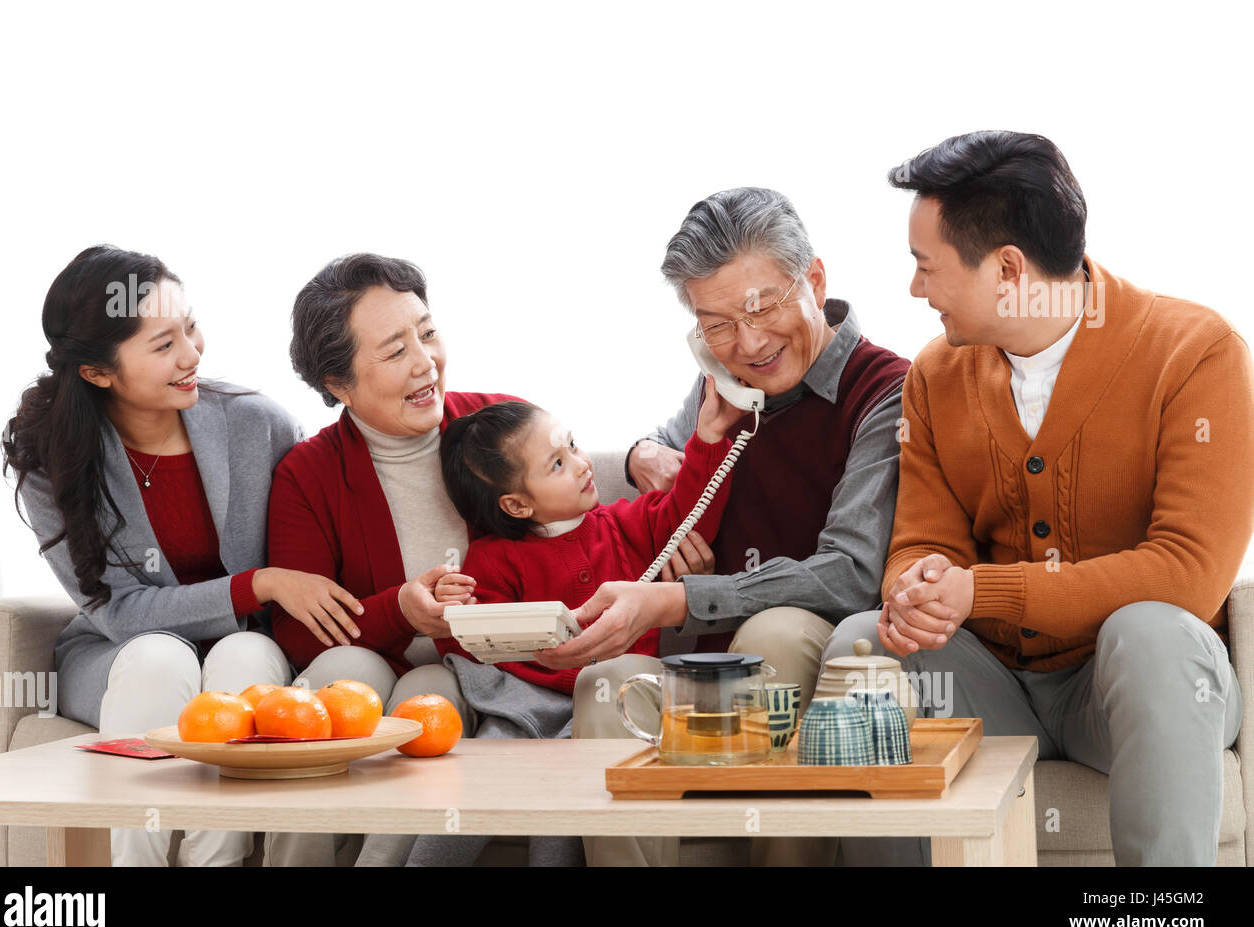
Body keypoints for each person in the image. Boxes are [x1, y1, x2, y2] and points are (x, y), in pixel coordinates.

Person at [826, 130, 1253, 865]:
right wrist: (917, 585)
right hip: (992, 690)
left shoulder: (1196, 352)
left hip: (1134, 694)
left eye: (925, 267)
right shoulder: (935, 375)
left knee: (1151, 631)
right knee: (859, 647)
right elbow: (921, 540)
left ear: (1008, 269)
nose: (915, 290)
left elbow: (1188, 575)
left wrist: (980, 589)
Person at [550, 186, 911, 866]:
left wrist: (685, 597)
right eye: (714, 325)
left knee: (771, 633)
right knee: (603, 684)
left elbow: (853, 570)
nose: (747, 344)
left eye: (761, 308)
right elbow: (664, 463)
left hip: (811, 645)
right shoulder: (724, 385)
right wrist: (639, 454)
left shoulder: (887, 389)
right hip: (701, 663)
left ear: (814, 280)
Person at [2, 245, 352, 866]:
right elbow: (117, 612)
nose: (193, 355)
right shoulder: (50, 456)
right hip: (121, 654)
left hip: (243, 641)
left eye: (190, 327)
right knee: (161, 659)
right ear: (98, 373)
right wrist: (259, 583)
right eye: (164, 345)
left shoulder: (258, 425)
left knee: (245, 653)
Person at [390, 390, 737, 865]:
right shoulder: (493, 558)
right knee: (474, 790)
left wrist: (710, 438)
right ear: (515, 505)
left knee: (568, 808)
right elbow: (472, 644)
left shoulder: (623, 523)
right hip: (523, 706)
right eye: (557, 463)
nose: (580, 463)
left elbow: (690, 509)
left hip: (607, 711)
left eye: (573, 445)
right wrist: (453, 610)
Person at [263, 253, 527, 866]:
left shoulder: (503, 425)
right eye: (393, 351)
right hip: (368, 671)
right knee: (338, 675)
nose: (424, 361)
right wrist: (402, 610)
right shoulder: (308, 473)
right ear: (339, 385)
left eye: (428, 333)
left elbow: (583, 516)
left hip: (472, 678)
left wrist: (644, 454)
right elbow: (300, 633)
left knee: (430, 690)